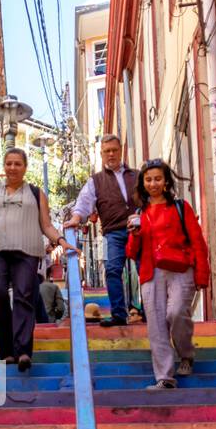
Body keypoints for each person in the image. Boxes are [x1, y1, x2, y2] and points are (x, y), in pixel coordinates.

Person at [0, 148, 76, 372]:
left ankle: (22, 352)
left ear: (25, 167)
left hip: (27, 251)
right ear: (4, 166)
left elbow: (46, 224)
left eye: (17, 164)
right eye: (9, 163)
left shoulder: (35, 192)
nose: (12, 168)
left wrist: (60, 240)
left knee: (24, 296)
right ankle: (6, 351)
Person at [127, 159, 210, 389]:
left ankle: (186, 354)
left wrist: (202, 275)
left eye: (157, 179)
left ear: (165, 182)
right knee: (155, 324)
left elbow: (198, 242)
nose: (153, 183)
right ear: (143, 184)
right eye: (148, 179)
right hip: (150, 272)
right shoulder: (139, 214)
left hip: (181, 270)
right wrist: (134, 233)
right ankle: (164, 377)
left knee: (176, 313)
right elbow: (132, 252)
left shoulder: (181, 207)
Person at [63, 134, 139, 327]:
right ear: (102, 154)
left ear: (120, 150)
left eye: (114, 150)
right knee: (112, 270)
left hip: (140, 230)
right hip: (113, 232)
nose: (111, 154)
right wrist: (75, 219)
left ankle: (149, 312)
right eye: (107, 151)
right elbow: (83, 204)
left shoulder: (136, 175)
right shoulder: (95, 181)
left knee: (146, 270)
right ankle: (119, 314)